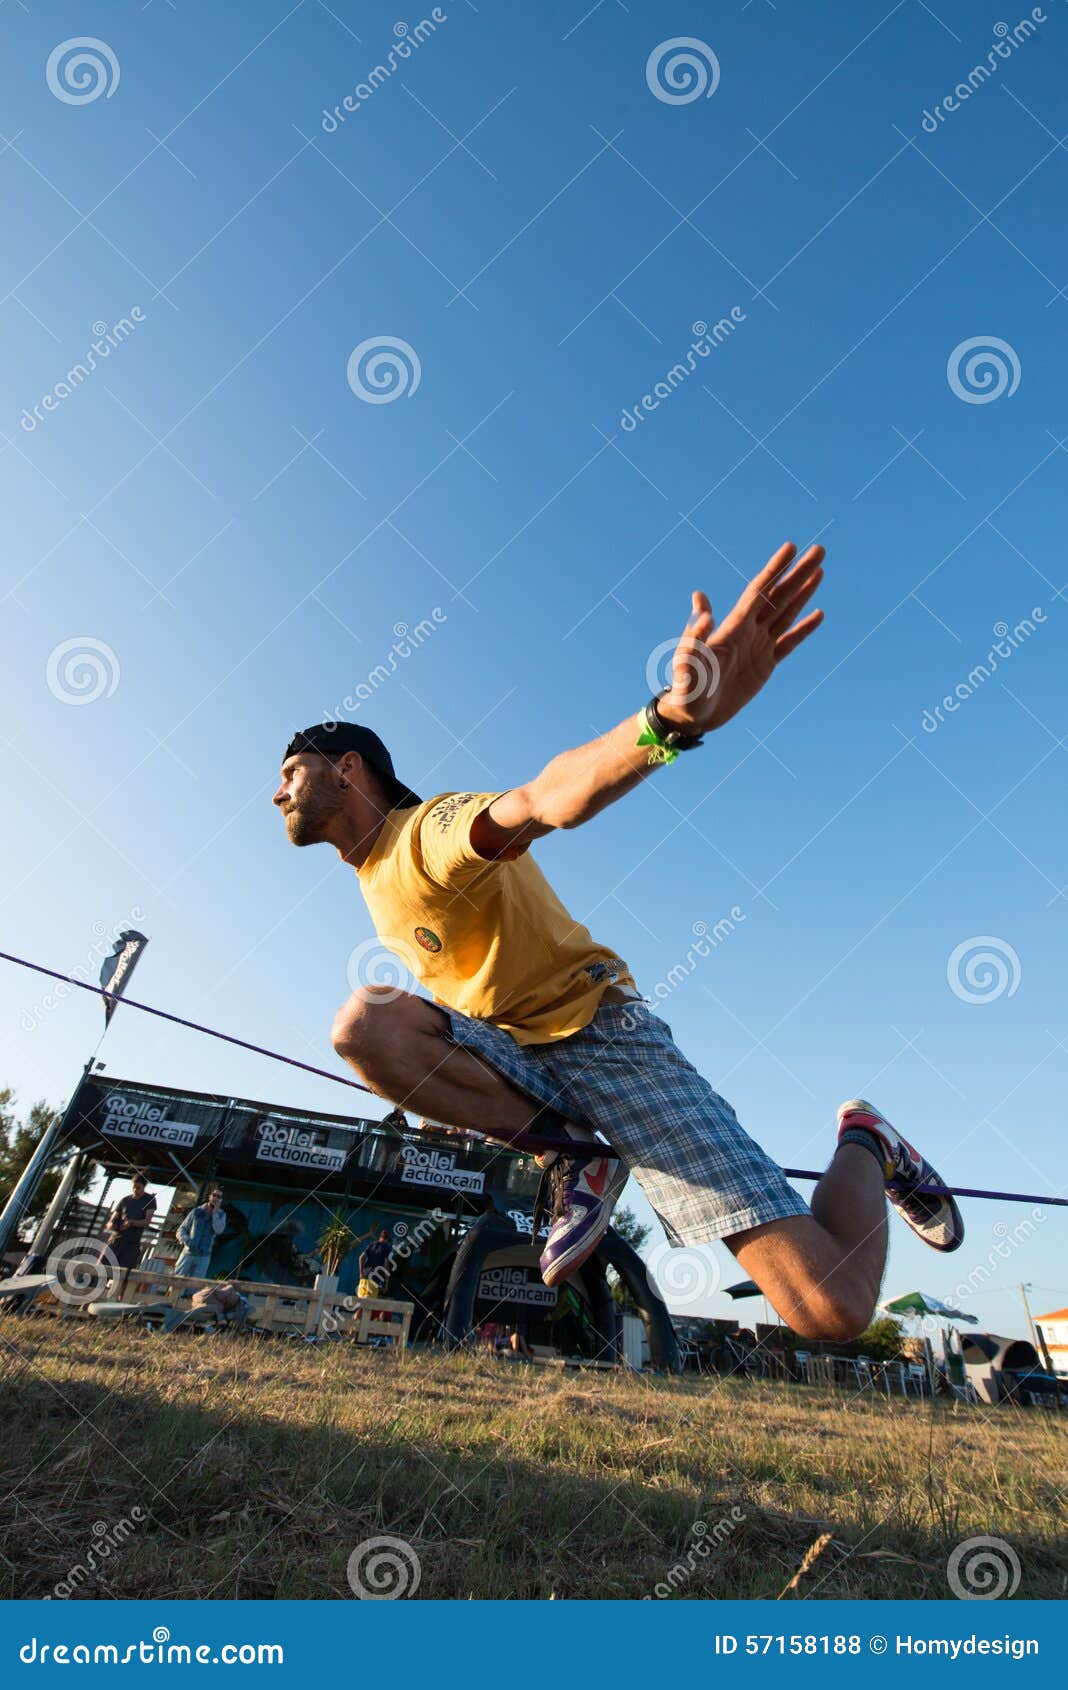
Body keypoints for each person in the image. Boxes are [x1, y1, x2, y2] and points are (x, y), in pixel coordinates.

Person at [273, 541, 964, 1343]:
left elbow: (541, 798)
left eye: (292, 768)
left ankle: (867, 1143)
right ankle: (576, 1154)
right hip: (521, 1057)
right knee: (367, 1031)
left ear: (349, 768)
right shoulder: (370, 879)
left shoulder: (424, 833)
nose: (277, 788)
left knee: (830, 1311)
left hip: (603, 1036)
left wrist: (668, 722)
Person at [99, 1173, 156, 1273]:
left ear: (144, 1187)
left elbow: (147, 1221)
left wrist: (131, 1222)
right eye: (134, 1187)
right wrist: (114, 1225)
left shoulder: (149, 1200)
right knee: (101, 1269)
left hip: (132, 1243)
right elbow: (110, 1222)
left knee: (125, 1274)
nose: (135, 1190)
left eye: (138, 1188)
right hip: (115, 1240)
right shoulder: (125, 1200)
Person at [174, 1186, 227, 1278]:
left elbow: (219, 1230)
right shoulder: (197, 1211)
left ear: (221, 1200)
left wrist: (215, 1213)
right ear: (209, 1196)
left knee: (194, 1286)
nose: (215, 1198)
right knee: (177, 1280)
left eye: (219, 1197)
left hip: (204, 1255)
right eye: (214, 1195)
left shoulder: (221, 1214)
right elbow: (181, 1229)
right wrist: (187, 1241)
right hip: (188, 1253)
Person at [357, 1227, 392, 1299]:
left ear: (380, 1237)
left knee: (361, 1303)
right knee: (370, 1304)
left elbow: (361, 1258)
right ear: (387, 1239)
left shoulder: (371, 1244)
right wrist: (387, 1282)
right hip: (374, 1278)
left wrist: (361, 1273)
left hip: (364, 1276)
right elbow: (386, 1265)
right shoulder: (386, 1248)